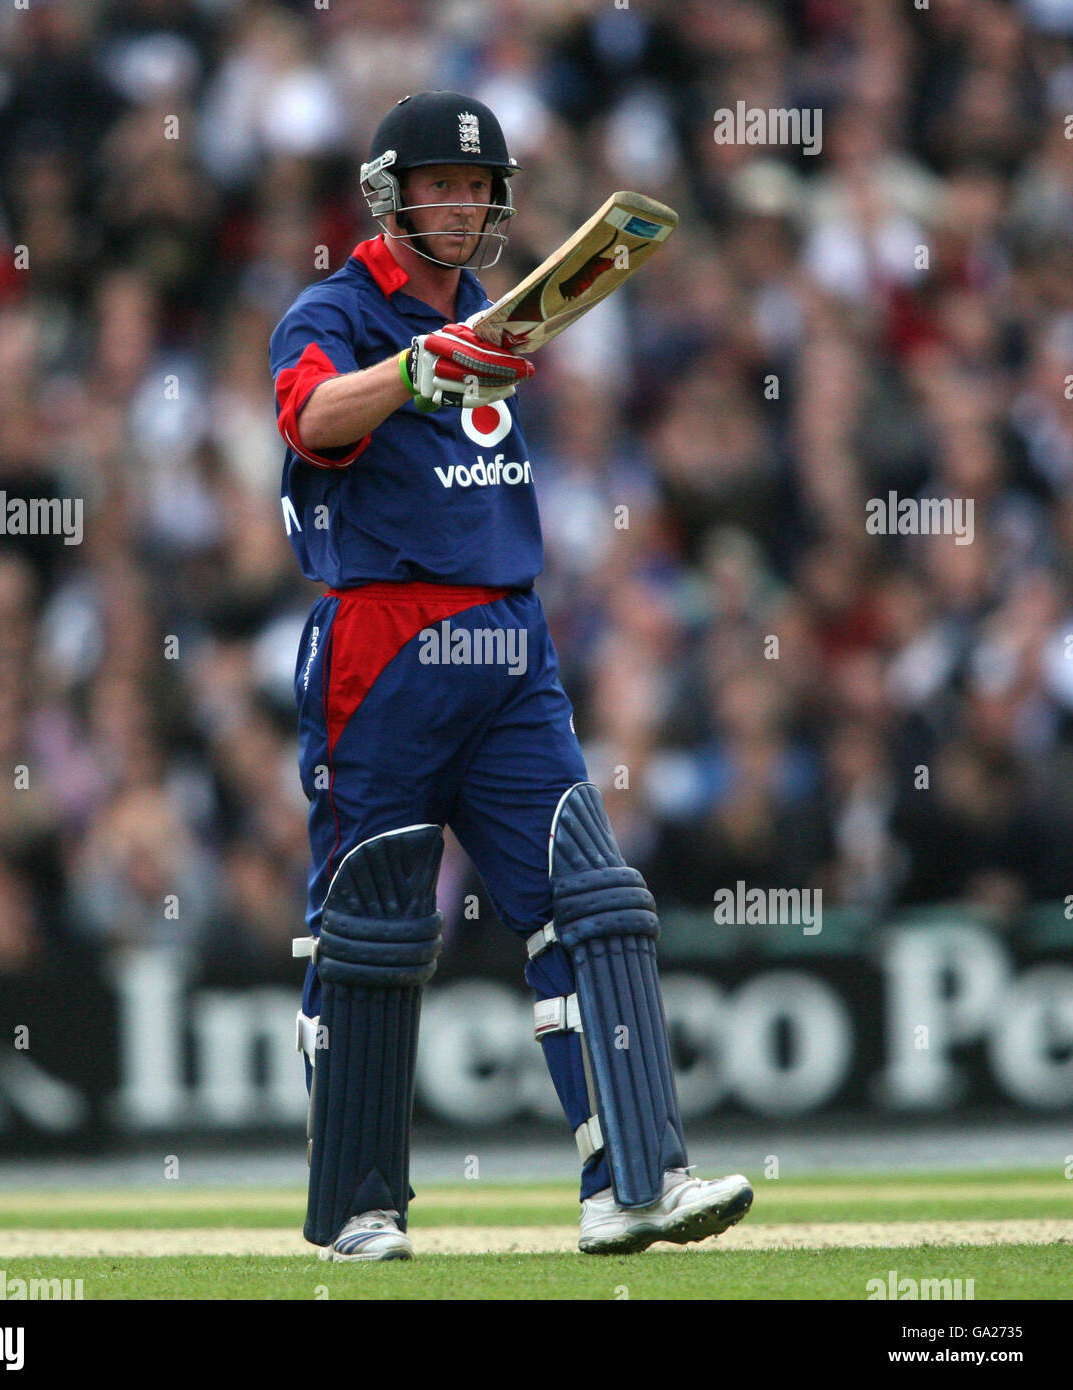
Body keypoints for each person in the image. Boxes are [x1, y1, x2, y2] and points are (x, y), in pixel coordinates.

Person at [269, 90, 753, 1261]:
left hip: (510, 640)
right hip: (382, 646)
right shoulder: (331, 310)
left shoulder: (493, 311)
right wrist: (416, 371)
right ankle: (357, 1208)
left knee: (593, 897)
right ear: (390, 193)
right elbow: (309, 418)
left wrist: (461, 351)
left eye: (478, 184)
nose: (462, 200)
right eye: (438, 180)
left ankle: (636, 1179)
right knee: (376, 928)